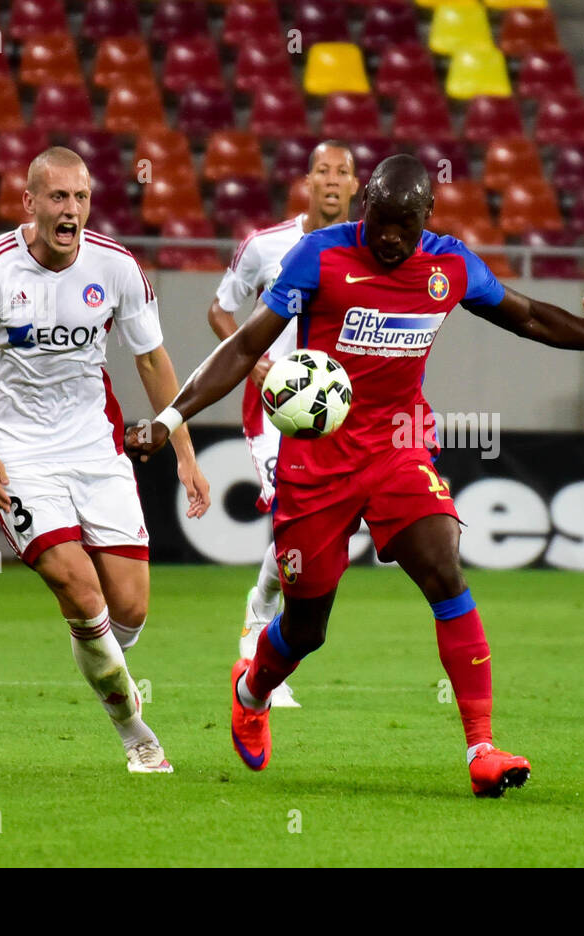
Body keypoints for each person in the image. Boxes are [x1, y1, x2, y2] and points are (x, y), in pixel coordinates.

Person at [126, 154, 584, 796]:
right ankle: (252, 688)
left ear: (428, 217)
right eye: (382, 222)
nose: (391, 238)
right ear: (365, 206)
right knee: (308, 626)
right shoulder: (319, 256)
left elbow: (531, 316)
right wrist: (169, 418)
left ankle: (481, 747)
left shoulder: (449, 264)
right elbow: (245, 346)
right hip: (316, 461)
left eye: (406, 225)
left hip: (400, 446)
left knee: (444, 568)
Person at [0, 147, 210, 773]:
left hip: (97, 449)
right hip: (20, 453)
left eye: (81, 198)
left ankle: (97, 649)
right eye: (59, 198)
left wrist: (183, 449)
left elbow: (152, 361)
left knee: (128, 609)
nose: (72, 211)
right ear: (29, 203)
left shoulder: (116, 269)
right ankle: (136, 733)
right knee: (80, 590)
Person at [206, 140, 361, 708]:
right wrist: (254, 360)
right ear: (307, 180)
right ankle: (261, 632)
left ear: (354, 186)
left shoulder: (368, 250)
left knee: (324, 526)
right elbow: (221, 308)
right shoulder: (266, 246)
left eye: (341, 172)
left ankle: (261, 609)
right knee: (287, 509)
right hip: (277, 406)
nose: (330, 180)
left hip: (340, 409)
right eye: (321, 170)